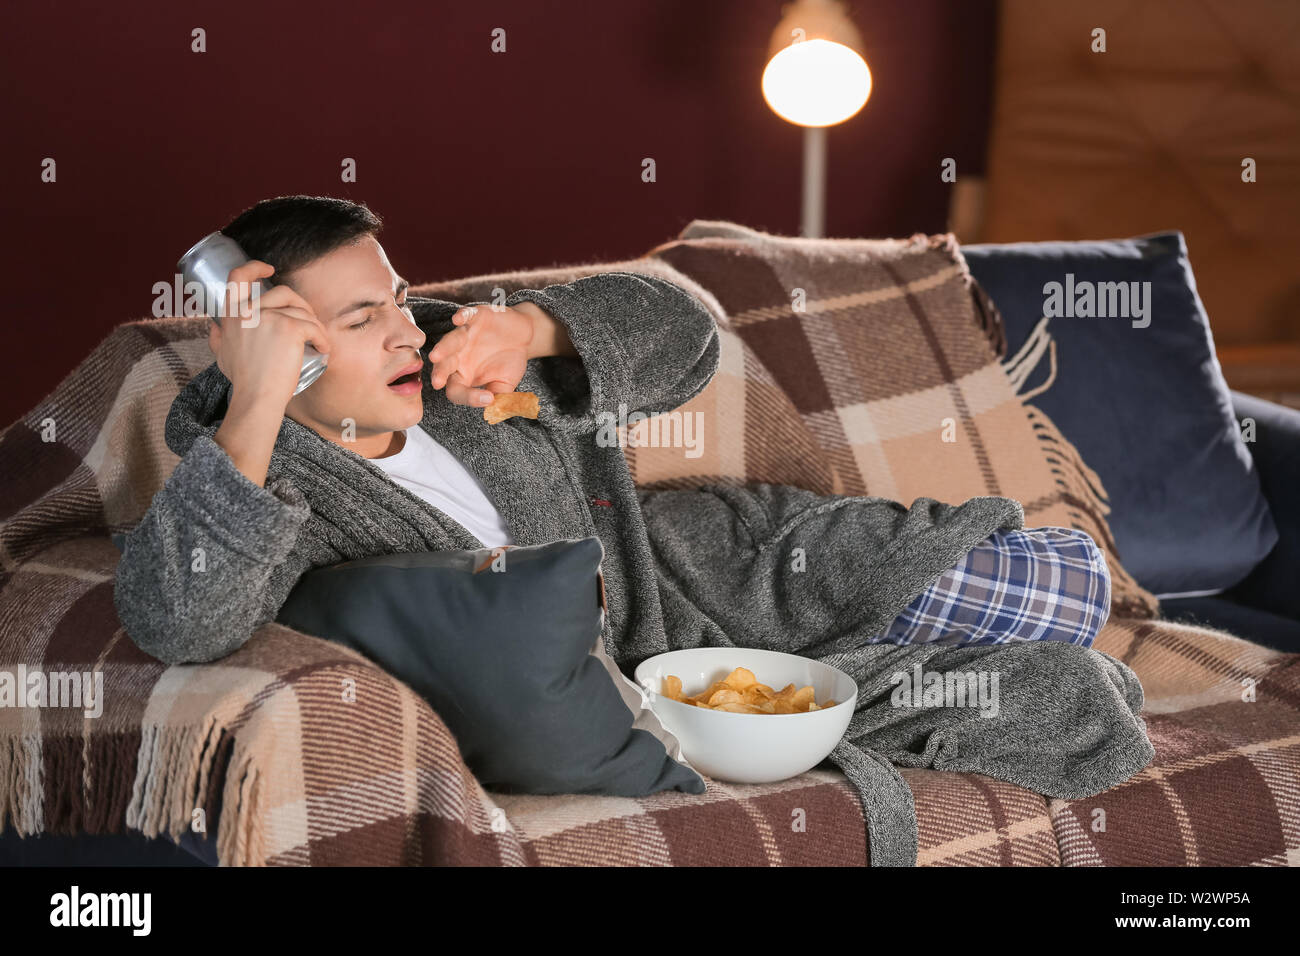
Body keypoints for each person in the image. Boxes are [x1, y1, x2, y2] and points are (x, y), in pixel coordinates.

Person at [113, 194, 1111, 669]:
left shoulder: (465, 364)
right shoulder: (259, 478)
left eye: (398, 297)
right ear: (274, 342)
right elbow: (178, 622)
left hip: (713, 570)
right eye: (361, 317)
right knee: (1044, 688)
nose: (402, 329)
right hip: (650, 683)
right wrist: (253, 401)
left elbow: (688, 338)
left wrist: (538, 329)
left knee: (1065, 590)